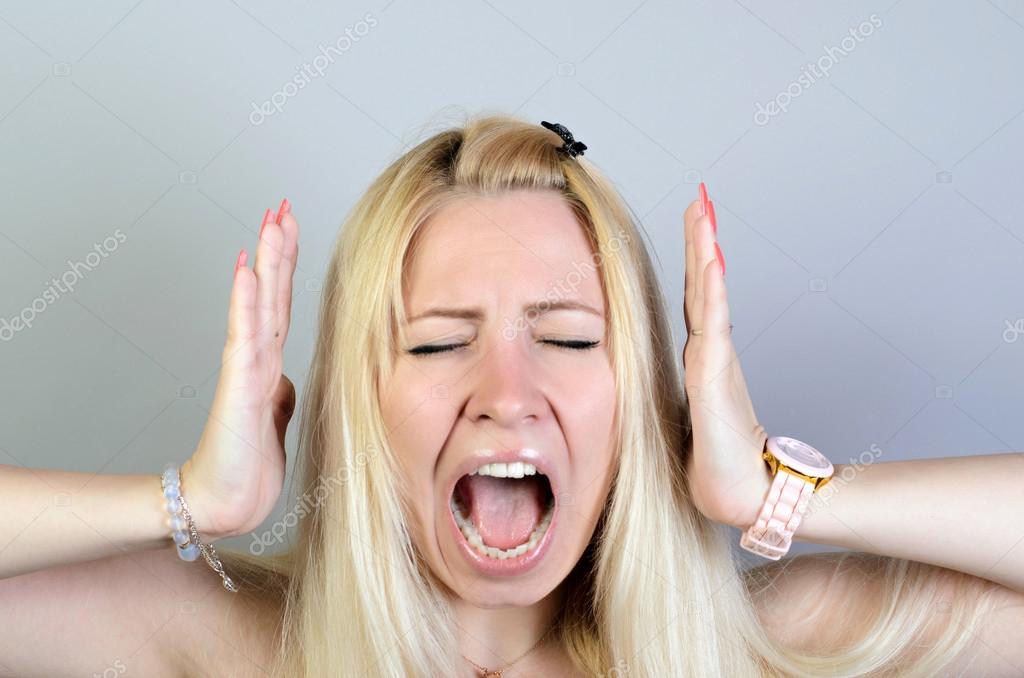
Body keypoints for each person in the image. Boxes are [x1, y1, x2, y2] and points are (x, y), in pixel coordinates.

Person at [1, 113, 1021, 677]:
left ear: (641, 396)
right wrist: (189, 500)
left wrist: (777, 492)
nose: (507, 393)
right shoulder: (230, 646)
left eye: (569, 337)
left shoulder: (750, 652)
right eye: (442, 343)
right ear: (366, 400)